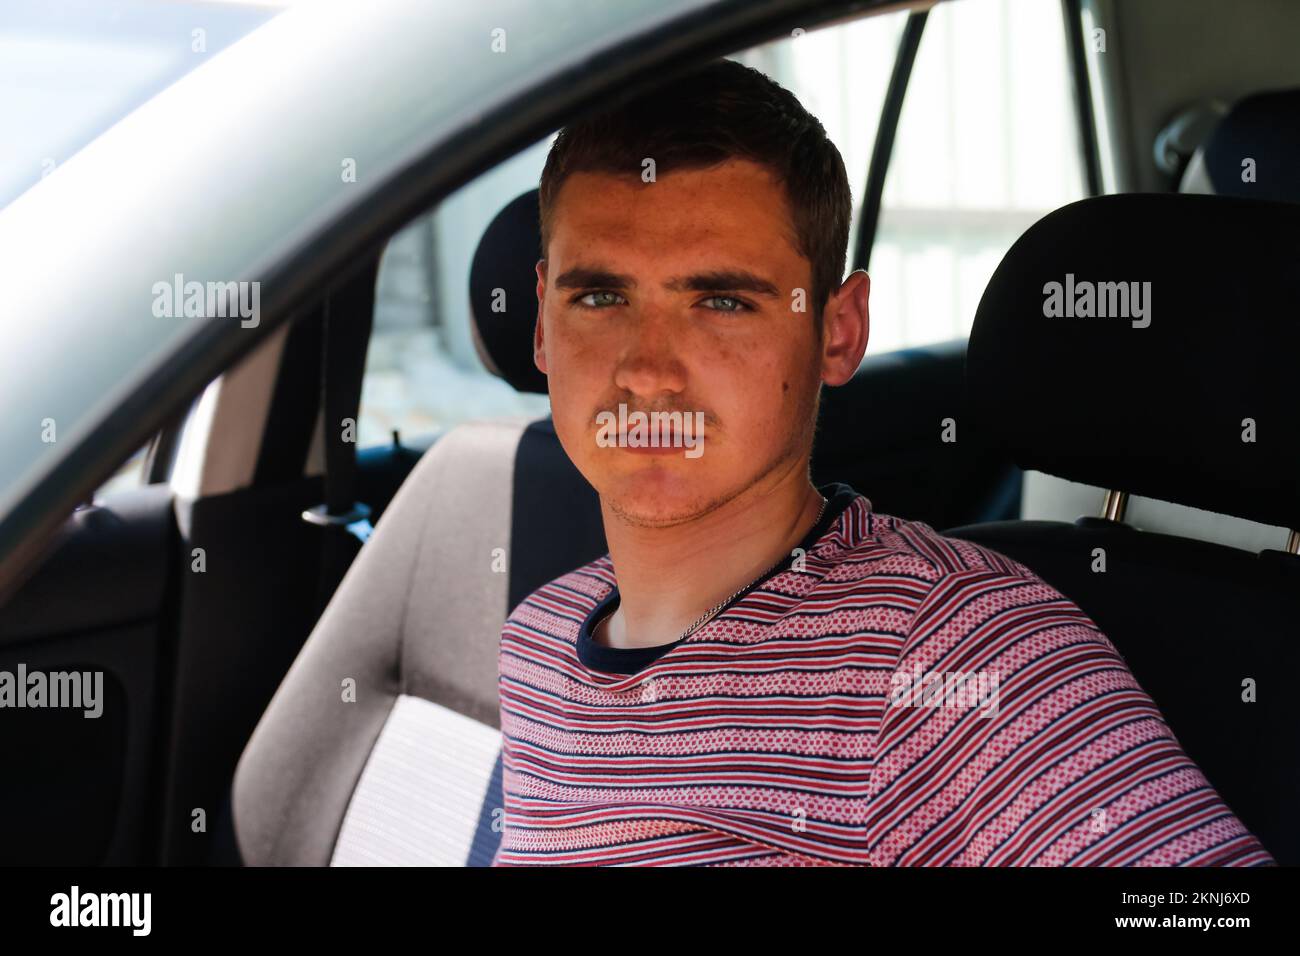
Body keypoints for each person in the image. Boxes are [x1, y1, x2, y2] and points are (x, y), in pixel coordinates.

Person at [492, 59, 1275, 866]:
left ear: (838, 331)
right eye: (601, 298)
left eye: (722, 302)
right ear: (544, 324)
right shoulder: (538, 640)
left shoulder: (962, 651)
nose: (648, 370)